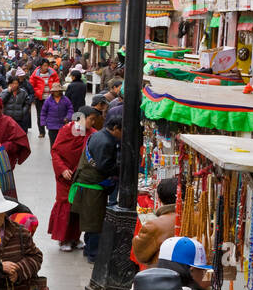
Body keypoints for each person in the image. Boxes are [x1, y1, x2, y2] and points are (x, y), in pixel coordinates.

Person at [71, 116, 123, 263]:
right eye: (122, 130)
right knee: (95, 221)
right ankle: (93, 254)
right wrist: (119, 169)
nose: (122, 134)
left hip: (88, 184)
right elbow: (104, 166)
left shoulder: (98, 135)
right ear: (114, 128)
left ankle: (89, 250)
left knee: (90, 219)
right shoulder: (106, 142)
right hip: (92, 187)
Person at [50, 111, 96, 252]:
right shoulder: (66, 131)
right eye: (91, 119)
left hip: (81, 176)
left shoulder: (92, 133)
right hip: (66, 177)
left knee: (79, 207)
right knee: (65, 207)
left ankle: (75, 238)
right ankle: (64, 239)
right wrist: (63, 169)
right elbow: (55, 151)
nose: (92, 123)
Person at [132, 177, 179, 269]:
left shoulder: (154, 225)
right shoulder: (198, 219)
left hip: (160, 274)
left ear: (159, 199)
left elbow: (140, 254)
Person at [29, 60, 57, 137]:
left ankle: (51, 130)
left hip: (51, 97)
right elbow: (31, 85)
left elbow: (56, 82)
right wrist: (36, 93)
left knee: (51, 114)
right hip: (39, 98)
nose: (46, 67)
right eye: (44, 65)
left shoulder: (53, 73)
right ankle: (42, 132)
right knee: (40, 115)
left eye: (47, 65)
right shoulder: (35, 74)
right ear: (40, 66)